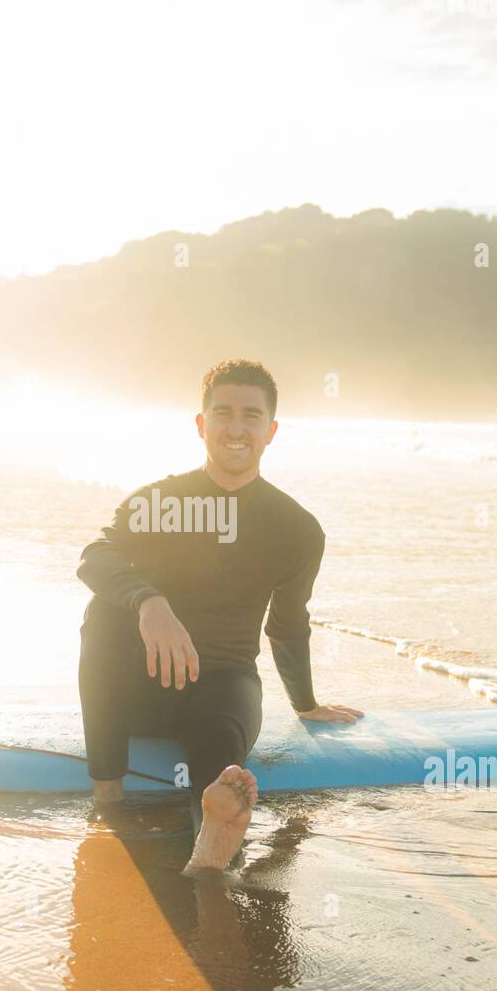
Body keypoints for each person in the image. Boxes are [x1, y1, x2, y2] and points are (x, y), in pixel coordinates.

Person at [76, 358, 362, 873]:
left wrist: (307, 703)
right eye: (223, 413)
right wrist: (150, 601)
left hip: (221, 686)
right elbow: (95, 556)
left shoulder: (295, 528)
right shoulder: (157, 503)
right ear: (201, 424)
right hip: (136, 694)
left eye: (251, 416)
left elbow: (288, 622)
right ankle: (108, 793)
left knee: (223, 737)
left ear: (270, 431)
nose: (236, 428)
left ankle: (212, 840)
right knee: (103, 612)